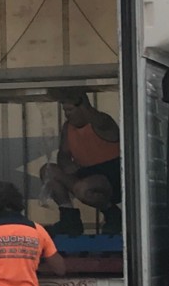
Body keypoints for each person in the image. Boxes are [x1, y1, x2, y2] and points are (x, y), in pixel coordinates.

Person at [40, 90, 122, 237]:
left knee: (82, 188)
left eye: (70, 110)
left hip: (111, 176)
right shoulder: (68, 127)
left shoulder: (101, 122)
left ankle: (112, 213)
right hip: (86, 173)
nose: (67, 114)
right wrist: (66, 165)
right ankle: (69, 217)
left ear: (83, 107)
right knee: (48, 171)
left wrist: (83, 103)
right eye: (65, 110)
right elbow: (64, 155)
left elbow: (97, 118)